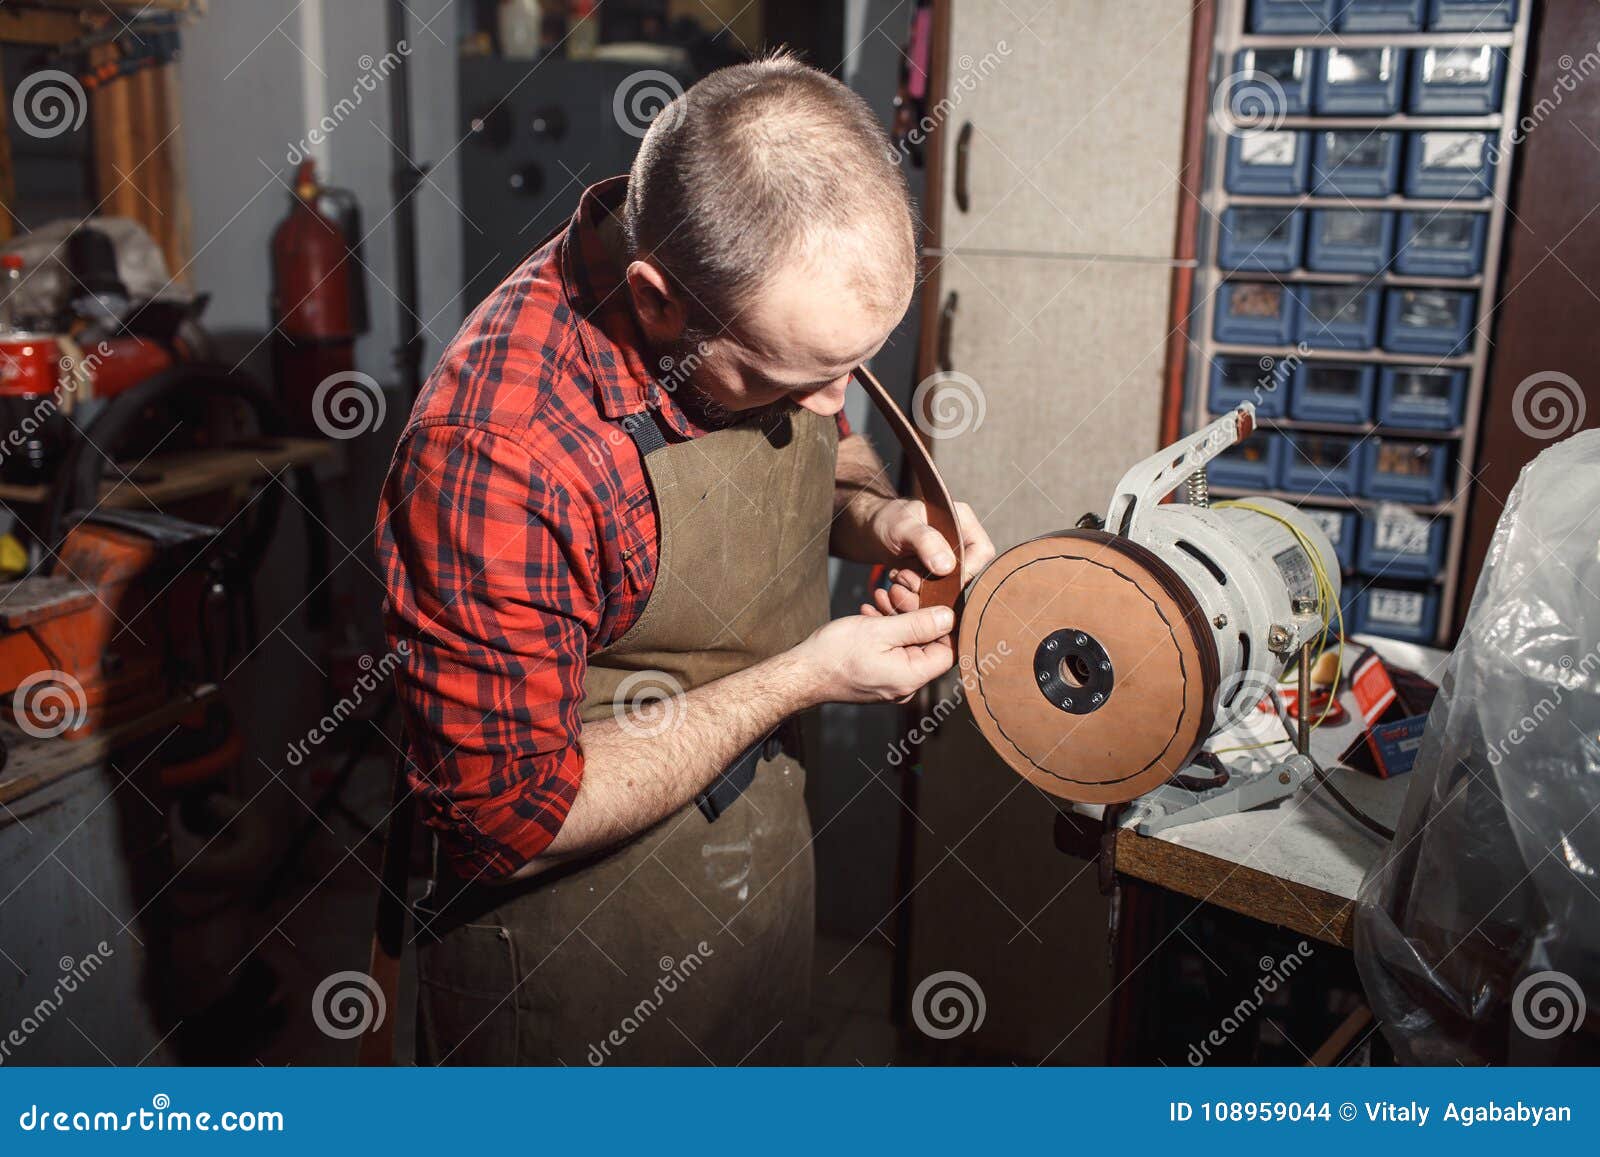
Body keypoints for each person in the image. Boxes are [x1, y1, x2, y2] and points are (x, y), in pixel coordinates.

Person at [375, 51, 994, 1065]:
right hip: (577, 964)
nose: (837, 403)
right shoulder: (501, 453)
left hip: (753, 893)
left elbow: (826, 449)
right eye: (789, 374)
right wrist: (807, 677)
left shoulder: (768, 321)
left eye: (854, 365)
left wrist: (877, 516)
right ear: (658, 300)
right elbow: (503, 817)